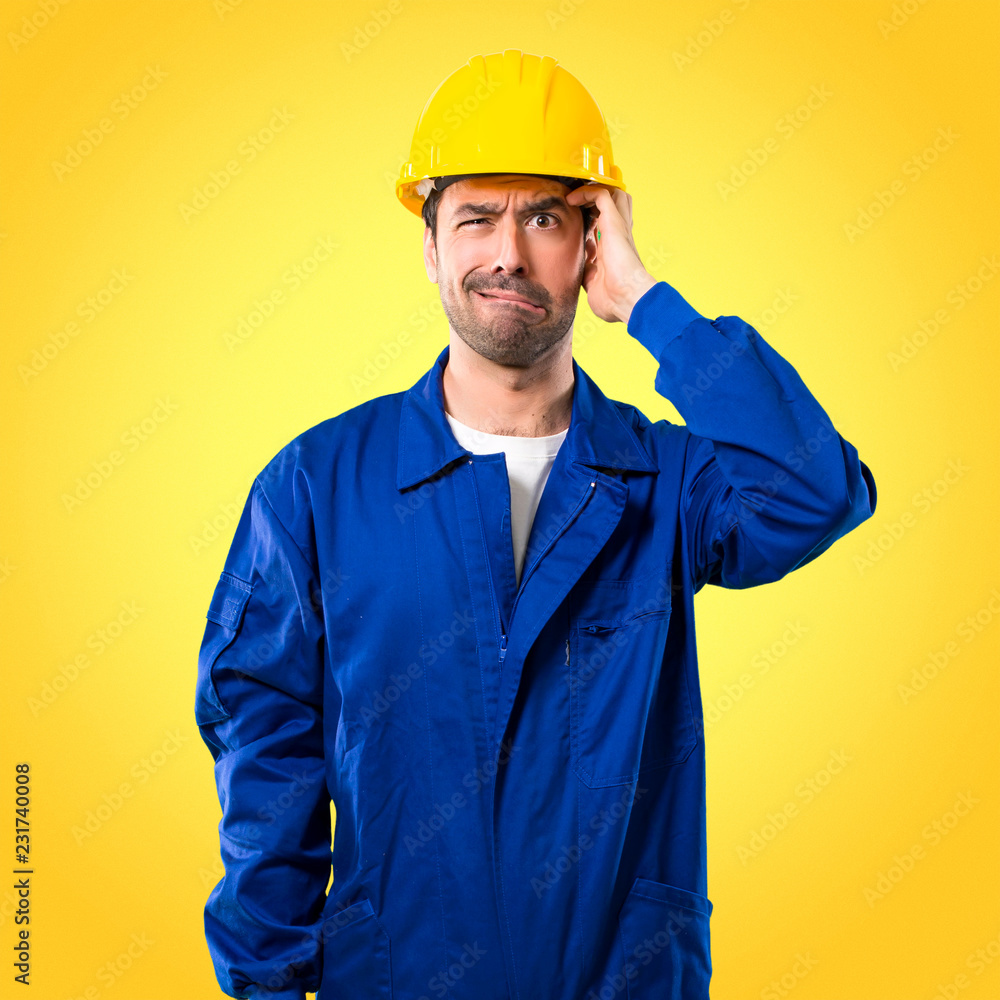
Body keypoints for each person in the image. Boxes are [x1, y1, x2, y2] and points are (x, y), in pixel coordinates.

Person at [195, 49, 876, 1000]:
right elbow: (269, 756)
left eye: (545, 217)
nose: (508, 253)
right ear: (431, 244)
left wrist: (647, 304)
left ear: (592, 241)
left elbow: (815, 494)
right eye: (476, 216)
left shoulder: (668, 483)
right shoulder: (317, 489)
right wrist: (266, 986)